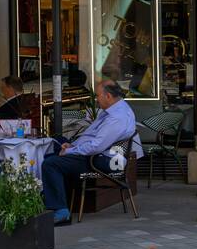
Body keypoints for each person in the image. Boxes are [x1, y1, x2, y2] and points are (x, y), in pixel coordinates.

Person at [40, 81, 140, 225]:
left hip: (104, 160)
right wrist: (73, 145)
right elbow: (91, 136)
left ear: (108, 96)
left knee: (51, 164)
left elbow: (96, 146)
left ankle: (61, 212)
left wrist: (70, 151)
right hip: (99, 155)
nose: (96, 99)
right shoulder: (112, 110)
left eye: (97, 95)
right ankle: (51, 199)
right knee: (53, 149)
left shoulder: (117, 117)